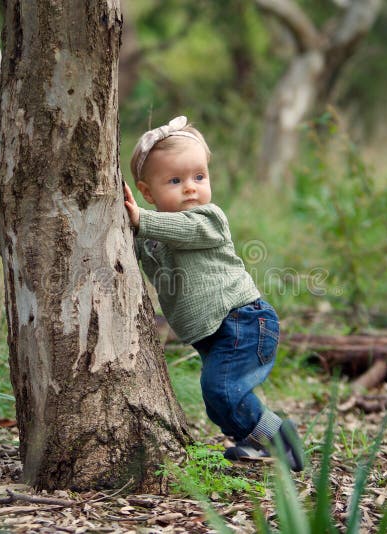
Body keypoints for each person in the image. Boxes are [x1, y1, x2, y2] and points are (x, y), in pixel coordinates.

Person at [123, 116, 304, 471]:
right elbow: (142, 251)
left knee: (221, 389)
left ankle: (281, 436)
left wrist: (141, 219)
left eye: (199, 177)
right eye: (175, 180)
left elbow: (187, 230)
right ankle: (257, 442)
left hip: (244, 320)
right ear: (147, 192)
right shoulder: (156, 232)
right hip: (215, 331)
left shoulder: (209, 219)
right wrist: (130, 229)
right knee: (218, 397)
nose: (191, 188)